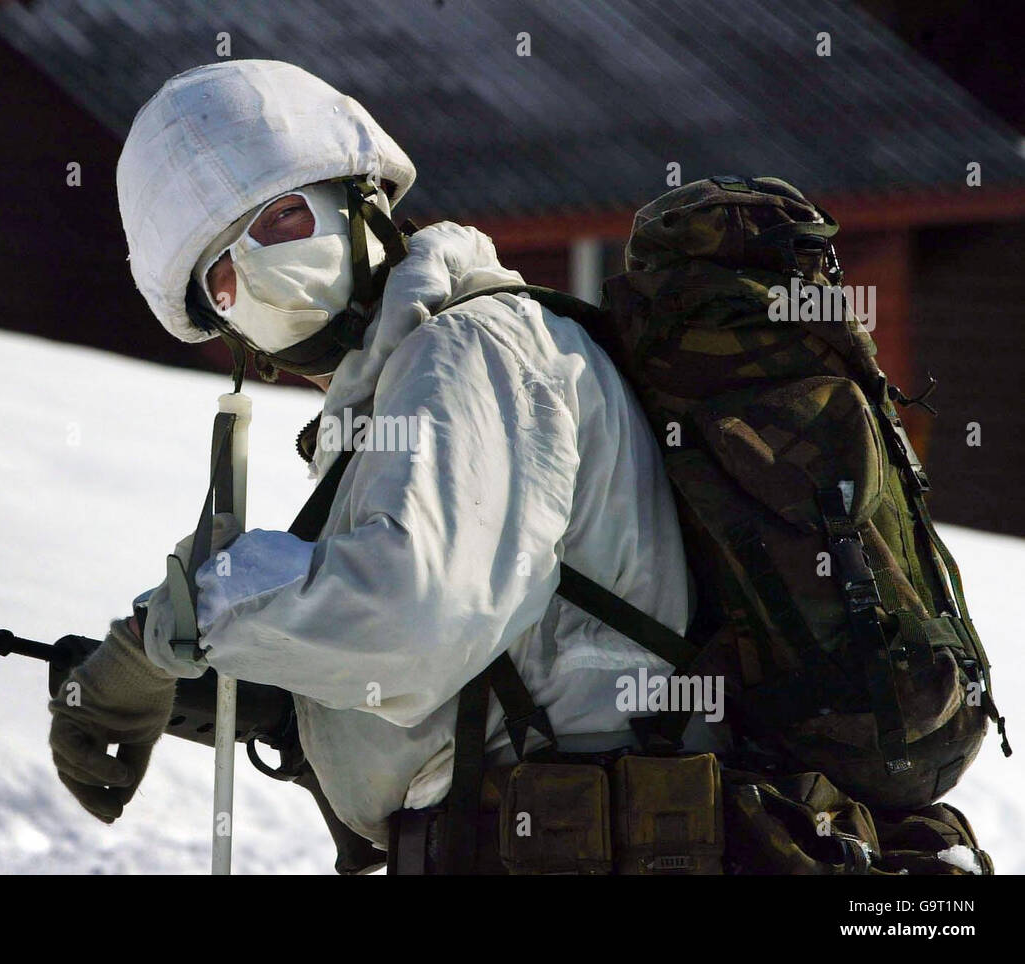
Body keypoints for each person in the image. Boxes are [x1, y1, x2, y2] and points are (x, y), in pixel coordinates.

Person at [47, 58, 711, 867]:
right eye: (220, 277)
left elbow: (416, 616)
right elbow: (481, 658)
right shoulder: (396, 393)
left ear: (360, 200)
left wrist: (171, 634)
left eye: (280, 220)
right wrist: (286, 697)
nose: (254, 271)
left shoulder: (472, 347)